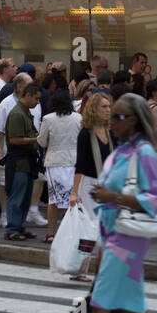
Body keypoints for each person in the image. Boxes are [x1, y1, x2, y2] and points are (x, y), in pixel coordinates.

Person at [87, 93, 157, 313]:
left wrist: (112, 197)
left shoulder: (145, 153)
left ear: (136, 121)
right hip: (114, 234)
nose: (113, 121)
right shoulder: (123, 151)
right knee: (130, 304)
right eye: (112, 115)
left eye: (119, 117)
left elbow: (152, 199)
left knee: (101, 301)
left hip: (127, 237)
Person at [70, 92, 115, 281]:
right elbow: (80, 165)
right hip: (90, 185)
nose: (108, 110)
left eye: (109, 106)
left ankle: (102, 269)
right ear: (94, 109)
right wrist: (74, 192)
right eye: (104, 107)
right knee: (92, 227)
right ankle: (81, 268)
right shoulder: (85, 134)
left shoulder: (110, 132)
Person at [0, 79, 41, 240]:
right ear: (27, 95)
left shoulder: (25, 112)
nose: (37, 102)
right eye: (35, 98)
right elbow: (14, 139)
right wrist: (35, 140)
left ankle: (19, 227)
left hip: (27, 161)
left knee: (25, 196)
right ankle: (13, 228)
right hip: (18, 161)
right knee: (17, 195)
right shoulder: (17, 113)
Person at [37, 88, 81, 243]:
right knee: (73, 198)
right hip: (74, 161)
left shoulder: (48, 118)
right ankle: (70, 233)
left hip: (54, 161)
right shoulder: (78, 118)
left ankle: (50, 233)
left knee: (53, 199)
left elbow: (41, 141)